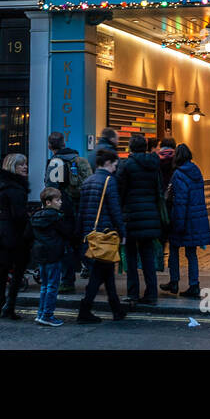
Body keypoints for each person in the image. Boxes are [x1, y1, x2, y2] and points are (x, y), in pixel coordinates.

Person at [77, 149, 127, 324]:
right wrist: (122, 232)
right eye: (114, 165)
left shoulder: (87, 181)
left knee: (105, 274)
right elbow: (115, 210)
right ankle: (85, 310)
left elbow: (81, 211)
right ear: (107, 163)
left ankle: (117, 309)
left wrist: (80, 235)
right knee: (100, 275)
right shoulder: (109, 181)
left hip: (90, 236)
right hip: (105, 236)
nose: (115, 168)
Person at [116, 133, 163, 306]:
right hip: (150, 215)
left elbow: (120, 191)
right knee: (148, 257)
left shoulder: (126, 165)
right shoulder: (154, 164)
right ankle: (151, 294)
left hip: (131, 217)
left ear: (130, 147)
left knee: (130, 256)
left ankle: (133, 293)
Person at [45, 131, 91, 292]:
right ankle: (93, 270)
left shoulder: (54, 162)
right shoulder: (79, 160)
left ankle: (67, 281)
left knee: (66, 246)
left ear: (50, 146)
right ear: (64, 143)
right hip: (80, 208)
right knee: (80, 242)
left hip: (63, 210)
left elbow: (51, 188)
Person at [160, 143, 208, 297]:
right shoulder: (196, 171)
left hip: (183, 219)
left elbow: (180, 201)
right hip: (196, 219)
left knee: (174, 250)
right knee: (191, 253)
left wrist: (177, 224)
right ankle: (194, 284)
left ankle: (174, 281)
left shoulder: (178, 174)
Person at [0, 152, 31, 319]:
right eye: (21, 164)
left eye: (26, 164)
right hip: (14, 234)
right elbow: (19, 215)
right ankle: (10, 307)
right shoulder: (15, 188)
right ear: (13, 167)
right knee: (18, 271)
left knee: (2, 271)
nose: (25, 167)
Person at [27, 187, 75, 327]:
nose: (60, 202)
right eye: (57, 200)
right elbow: (67, 233)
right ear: (48, 202)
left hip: (41, 255)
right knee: (53, 286)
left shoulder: (36, 216)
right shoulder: (56, 217)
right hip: (54, 254)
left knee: (44, 286)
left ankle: (41, 313)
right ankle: (48, 315)